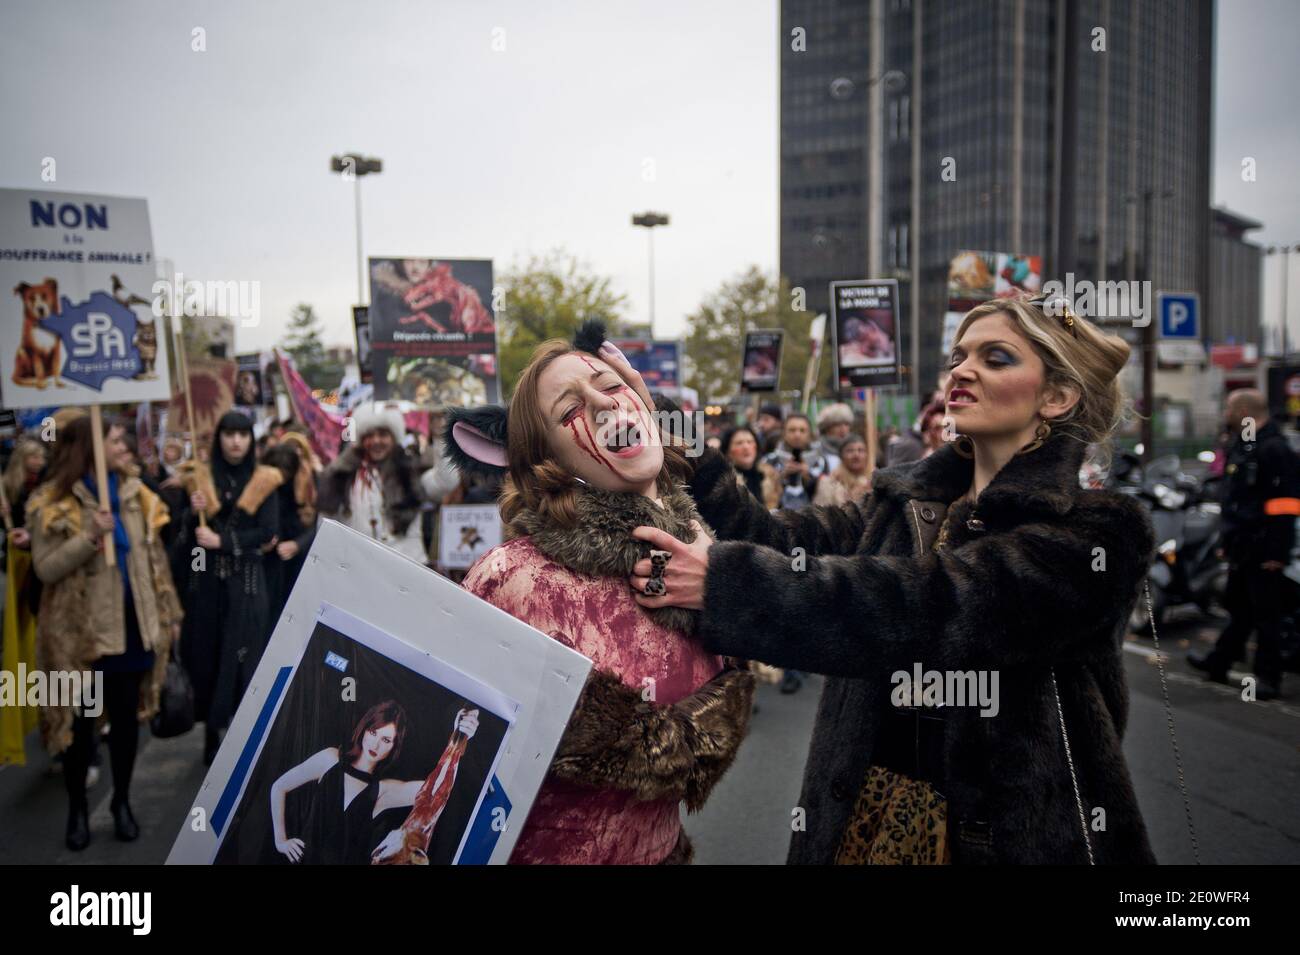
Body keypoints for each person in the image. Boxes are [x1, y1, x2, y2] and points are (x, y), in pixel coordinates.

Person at [626, 295, 1157, 864]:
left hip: (1005, 841)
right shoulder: (902, 503)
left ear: (1056, 396)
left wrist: (728, 583)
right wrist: (673, 433)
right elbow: (777, 542)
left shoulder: (1099, 531)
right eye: (959, 356)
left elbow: (927, 610)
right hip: (864, 821)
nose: (962, 370)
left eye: (996, 357)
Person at [448, 321, 754, 864]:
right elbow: (450, 753)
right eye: (570, 410)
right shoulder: (514, 579)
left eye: (611, 387)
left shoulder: (699, 556)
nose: (604, 407)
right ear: (552, 459)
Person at [27, 414, 182, 850]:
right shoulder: (50, 501)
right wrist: (88, 536)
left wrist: (169, 612)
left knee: (129, 728)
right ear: (88, 446)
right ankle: (77, 809)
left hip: (132, 630)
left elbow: (156, 559)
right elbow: (45, 567)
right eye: (115, 439)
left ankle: (122, 802)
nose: (125, 445)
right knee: (79, 733)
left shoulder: (136, 494)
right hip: (81, 639)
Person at [179, 411, 280, 765]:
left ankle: (242, 733)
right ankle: (211, 730)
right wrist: (192, 513)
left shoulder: (264, 480)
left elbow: (268, 531)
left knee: (244, 657)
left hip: (248, 585)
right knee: (208, 654)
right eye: (229, 434)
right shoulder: (199, 479)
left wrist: (222, 540)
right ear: (218, 438)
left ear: (251, 439)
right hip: (208, 586)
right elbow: (182, 541)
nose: (236, 441)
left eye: (243, 434)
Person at [270, 700, 479, 865]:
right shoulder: (330, 760)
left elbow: (436, 792)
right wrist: (281, 840)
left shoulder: (383, 790)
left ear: (393, 747)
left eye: (386, 740)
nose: (376, 743)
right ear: (365, 729)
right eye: (373, 732)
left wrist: (458, 739)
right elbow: (279, 786)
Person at [1189, 388, 1298, 699]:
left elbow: (1286, 506)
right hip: (1243, 545)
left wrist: (1277, 551)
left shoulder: (1275, 449)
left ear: (1244, 412)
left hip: (1265, 548)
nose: (1226, 414)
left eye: (1229, 409)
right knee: (1240, 608)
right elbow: (1236, 501)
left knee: (1267, 616)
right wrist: (1228, 541)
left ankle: (1268, 677)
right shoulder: (1245, 445)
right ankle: (1220, 661)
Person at [318, 402, 426, 564]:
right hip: (360, 568)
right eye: (369, 436)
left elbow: (444, 481)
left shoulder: (410, 471)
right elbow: (326, 524)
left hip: (406, 566)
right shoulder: (343, 475)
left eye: (383, 435)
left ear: (393, 437)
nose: (376, 441)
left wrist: (440, 435)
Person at [763, 413, 833, 512]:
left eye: (802, 430)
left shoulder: (820, 461)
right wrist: (781, 477)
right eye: (792, 430)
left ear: (809, 434)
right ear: (784, 433)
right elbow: (763, 494)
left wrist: (808, 477)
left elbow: (827, 496)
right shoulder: (770, 460)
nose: (797, 435)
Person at [722, 425, 779, 509]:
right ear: (728, 451)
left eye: (750, 442)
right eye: (739, 443)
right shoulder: (723, 481)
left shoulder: (770, 475)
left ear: (756, 446)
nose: (746, 447)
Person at [813, 433, 872, 506]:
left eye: (861, 450)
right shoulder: (829, 483)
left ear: (867, 455)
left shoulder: (873, 482)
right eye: (850, 451)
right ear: (841, 456)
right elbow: (820, 514)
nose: (856, 455)